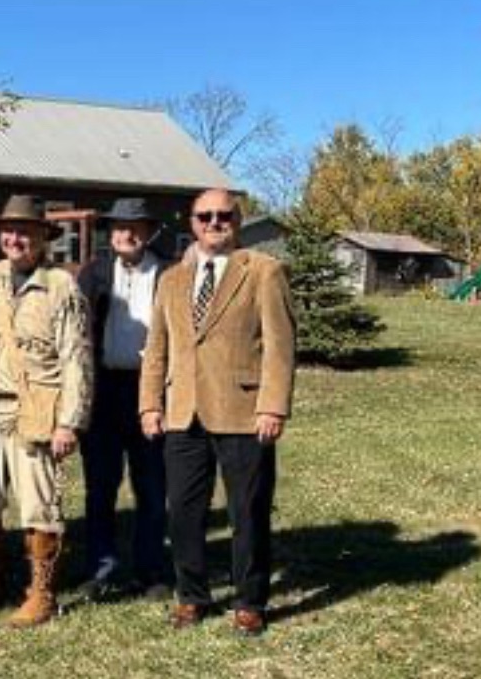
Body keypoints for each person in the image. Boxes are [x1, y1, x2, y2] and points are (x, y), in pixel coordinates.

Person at [138, 188, 296, 636]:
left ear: (238, 219)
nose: (213, 223)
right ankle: (192, 596)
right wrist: (150, 403)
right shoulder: (172, 280)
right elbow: (157, 350)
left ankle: (249, 601)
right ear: (192, 222)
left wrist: (273, 406)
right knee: (184, 514)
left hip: (244, 412)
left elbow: (280, 348)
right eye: (204, 216)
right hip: (182, 413)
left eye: (223, 215)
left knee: (248, 512)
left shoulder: (264, 272)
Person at [0, 194, 93, 626]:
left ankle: (41, 592)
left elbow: (76, 359)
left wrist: (69, 422)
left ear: (43, 237)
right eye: (9, 230)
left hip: (39, 410)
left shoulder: (62, 287)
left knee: (39, 507)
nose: (15, 238)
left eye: (25, 231)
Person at [75, 197, 173, 602]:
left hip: (151, 391)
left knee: (151, 485)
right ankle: (102, 568)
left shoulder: (170, 273)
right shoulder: (94, 272)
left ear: (148, 231)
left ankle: (151, 569)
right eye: (118, 226)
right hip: (104, 391)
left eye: (134, 226)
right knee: (100, 487)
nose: (126, 234)